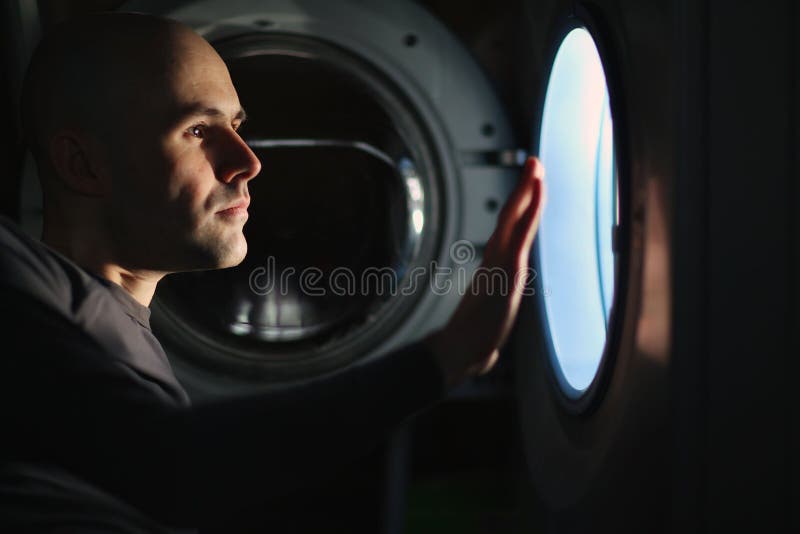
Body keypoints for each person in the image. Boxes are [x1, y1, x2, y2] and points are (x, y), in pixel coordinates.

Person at [0, 11, 545, 533]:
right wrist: (446, 355)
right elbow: (170, 466)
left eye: (236, 126)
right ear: (83, 165)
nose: (248, 161)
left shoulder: (116, 334)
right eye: (197, 130)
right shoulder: (14, 284)